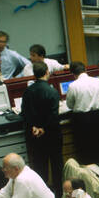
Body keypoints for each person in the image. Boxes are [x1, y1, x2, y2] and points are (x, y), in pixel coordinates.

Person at [20, 62, 62, 190]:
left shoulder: (27, 92)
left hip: (35, 136)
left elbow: (25, 113)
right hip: (52, 134)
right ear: (47, 72)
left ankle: (43, 192)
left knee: (39, 165)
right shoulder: (52, 91)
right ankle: (59, 191)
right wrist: (43, 128)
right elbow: (53, 115)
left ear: (34, 75)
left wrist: (34, 127)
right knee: (56, 164)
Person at [64, 61, 99, 165]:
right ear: (85, 70)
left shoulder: (73, 86)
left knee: (84, 149)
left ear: (73, 74)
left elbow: (69, 105)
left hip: (82, 120)